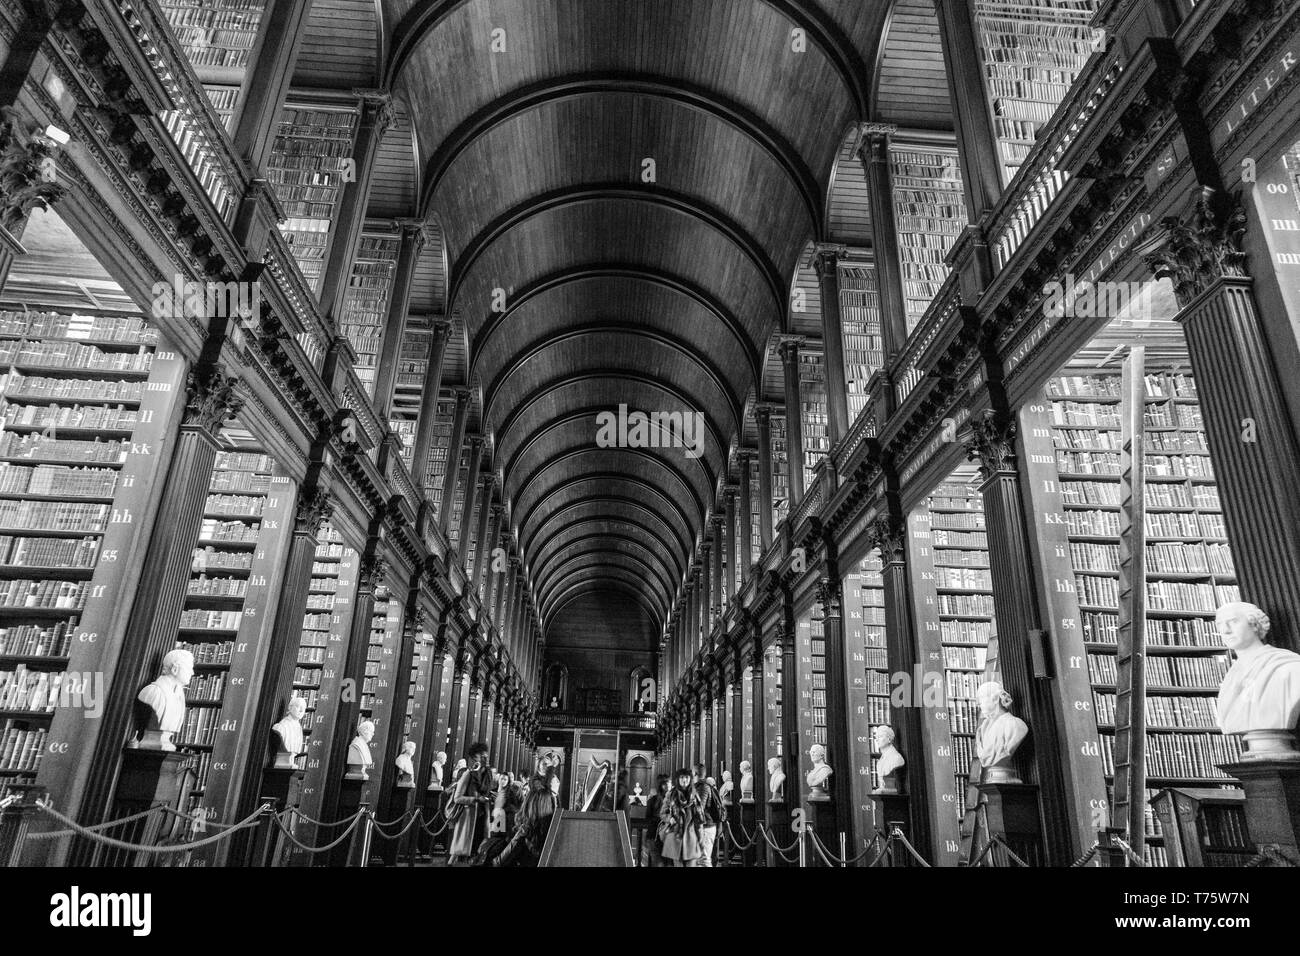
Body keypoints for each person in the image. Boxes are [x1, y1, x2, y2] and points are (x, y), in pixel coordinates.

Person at [497, 758, 559, 867]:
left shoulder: (552, 778)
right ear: (538, 766)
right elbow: (545, 790)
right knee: (525, 841)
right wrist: (552, 768)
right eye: (544, 764)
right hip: (534, 815)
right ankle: (498, 862)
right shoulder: (535, 779)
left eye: (548, 764)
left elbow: (553, 795)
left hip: (546, 815)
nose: (547, 766)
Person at [447, 742, 493, 864]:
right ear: (475, 758)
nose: (485, 758)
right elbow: (457, 798)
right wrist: (476, 799)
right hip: (469, 817)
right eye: (481, 756)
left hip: (483, 815)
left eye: (486, 756)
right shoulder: (469, 774)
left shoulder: (488, 776)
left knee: (478, 849)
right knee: (458, 852)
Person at [659, 767, 706, 867]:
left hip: (691, 838)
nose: (684, 780)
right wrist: (669, 818)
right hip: (676, 837)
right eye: (681, 778)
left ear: (690, 779)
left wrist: (701, 841)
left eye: (687, 777)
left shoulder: (694, 796)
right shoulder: (671, 795)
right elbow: (663, 813)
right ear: (677, 779)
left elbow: (699, 821)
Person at [692, 763, 723, 867]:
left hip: (705, 827)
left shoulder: (703, 787)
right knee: (700, 860)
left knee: (704, 860)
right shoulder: (700, 786)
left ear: (694, 773)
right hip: (703, 826)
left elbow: (700, 807)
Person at [640, 775, 669, 867]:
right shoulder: (653, 800)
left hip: (667, 836)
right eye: (666, 783)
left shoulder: (673, 799)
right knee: (658, 862)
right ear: (661, 785)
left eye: (669, 783)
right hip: (655, 835)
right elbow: (647, 817)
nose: (668, 786)